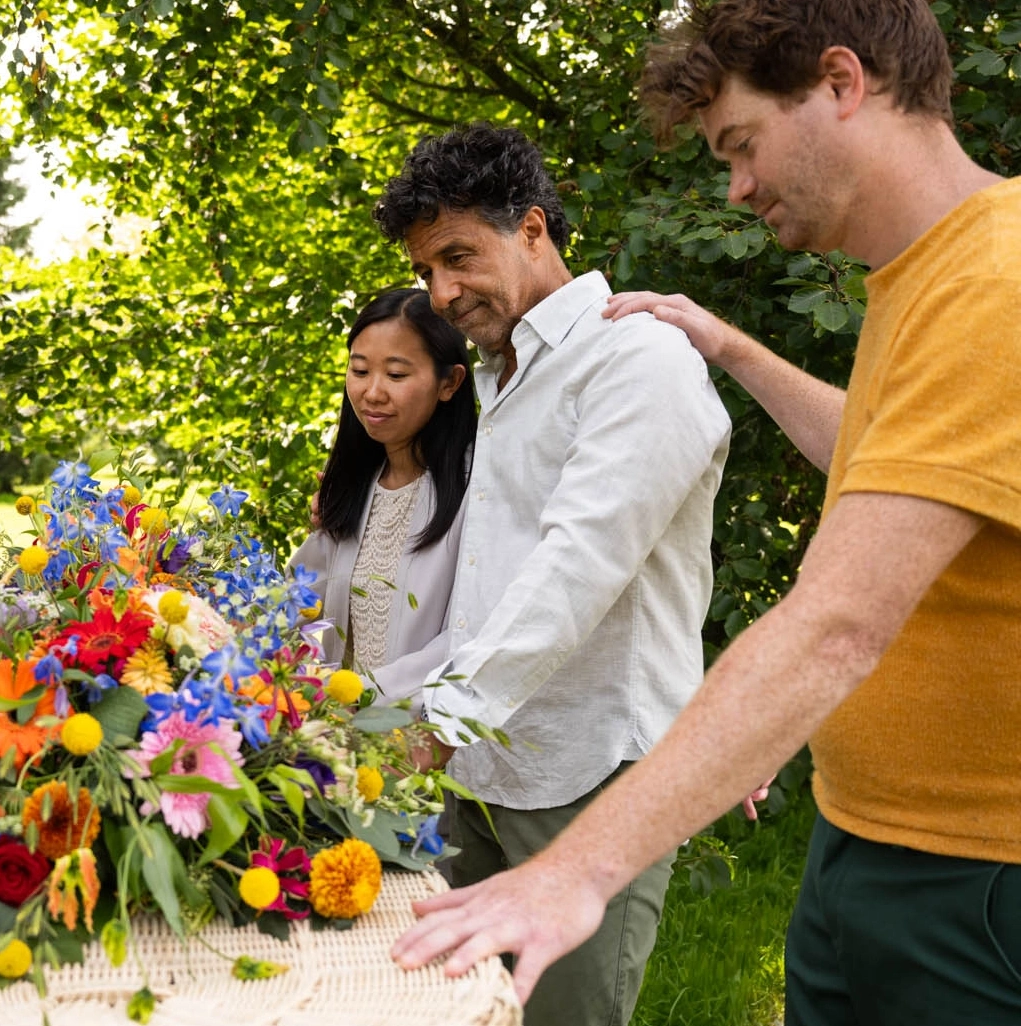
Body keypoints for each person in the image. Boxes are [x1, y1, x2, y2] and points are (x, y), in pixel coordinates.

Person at [390, 4, 1021, 1024]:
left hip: (973, 879)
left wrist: (582, 865)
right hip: (861, 839)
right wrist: (733, 347)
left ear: (841, 83)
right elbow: (869, 450)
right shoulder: (918, 282)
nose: (734, 186)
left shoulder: (995, 277)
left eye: (740, 145)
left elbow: (837, 624)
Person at [372, 125, 732, 1026]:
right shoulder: (501, 377)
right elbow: (487, 594)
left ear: (532, 227)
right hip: (481, 773)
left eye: (458, 257)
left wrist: (438, 724)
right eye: (426, 272)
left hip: (592, 775)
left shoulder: (635, 360)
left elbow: (580, 566)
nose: (441, 293)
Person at [290, 287, 474, 700]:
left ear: (450, 382)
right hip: (347, 743)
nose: (372, 392)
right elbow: (294, 603)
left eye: (396, 375)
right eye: (359, 371)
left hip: (428, 744)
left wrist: (363, 697)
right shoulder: (354, 485)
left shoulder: (478, 490)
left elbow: (470, 635)